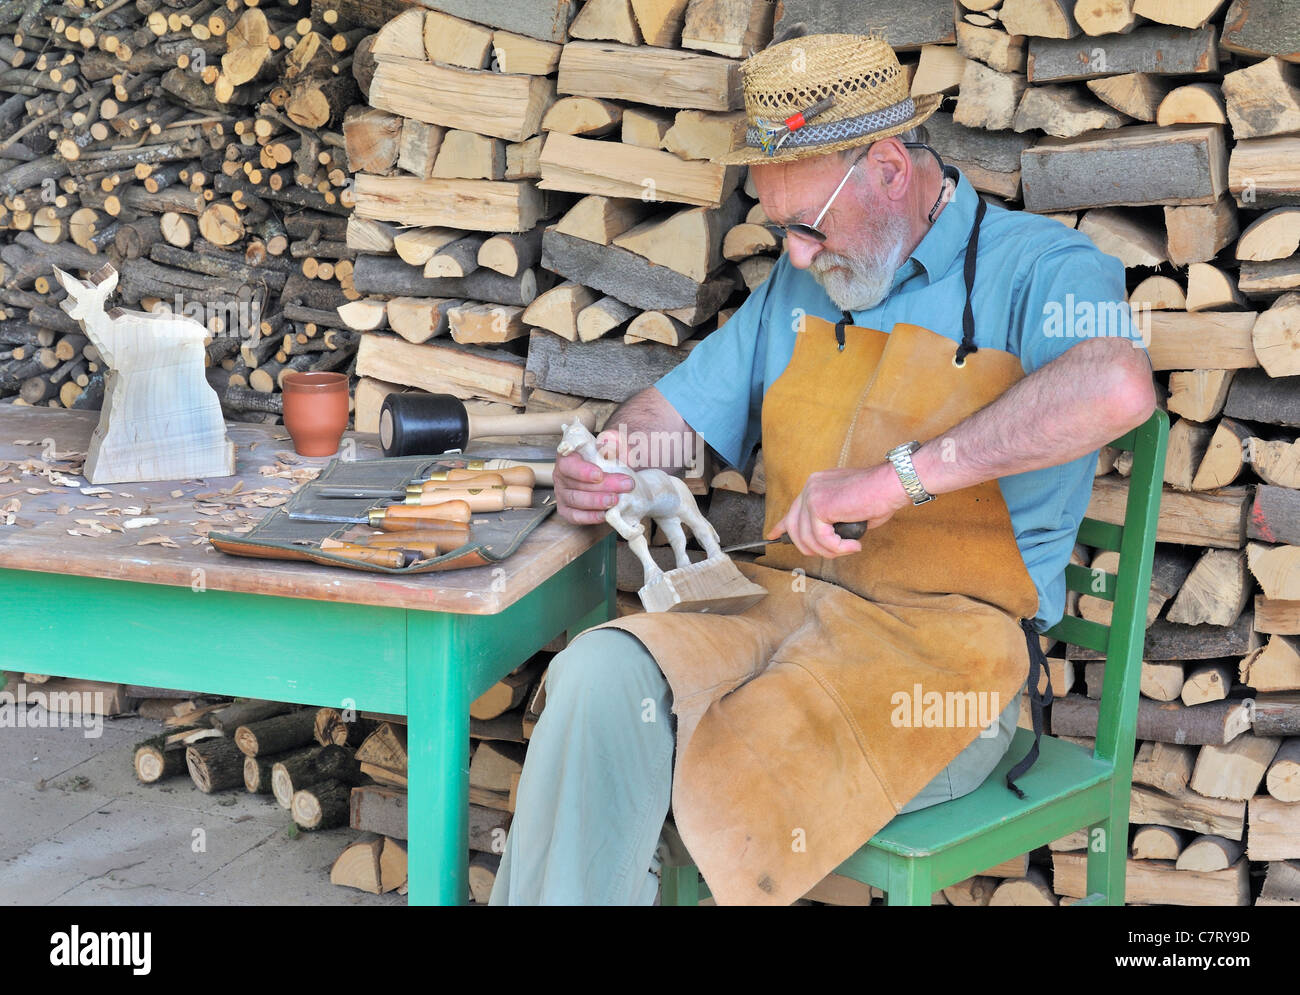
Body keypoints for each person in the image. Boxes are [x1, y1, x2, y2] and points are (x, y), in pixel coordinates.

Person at [491, 32, 1155, 906]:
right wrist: (615, 458)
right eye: (782, 229)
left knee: (727, 745)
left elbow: (1117, 385)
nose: (798, 255)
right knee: (597, 679)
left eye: (810, 226)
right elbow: (673, 418)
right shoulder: (799, 287)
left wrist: (895, 478)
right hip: (783, 610)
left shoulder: (1043, 268)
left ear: (888, 168)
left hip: (946, 660)